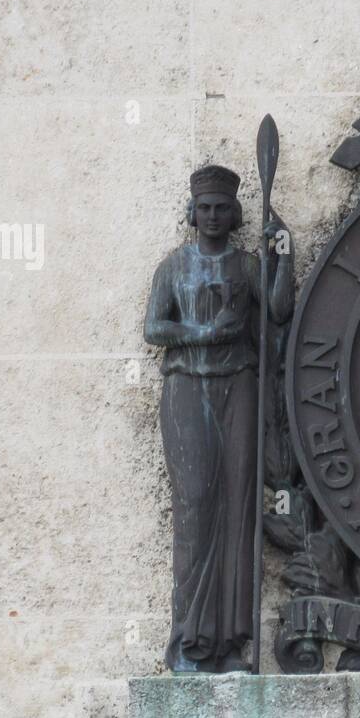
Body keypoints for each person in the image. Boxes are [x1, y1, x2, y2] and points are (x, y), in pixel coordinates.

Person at [144, 165, 294, 673]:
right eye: (204, 207)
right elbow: (153, 327)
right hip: (188, 388)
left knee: (239, 508)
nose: (212, 216)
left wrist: (282, 256)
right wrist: (206, 333)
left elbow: (277, 311)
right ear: (193, 212)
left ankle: (233, 642)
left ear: (234, 214)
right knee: (196, 506)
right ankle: (190, 639)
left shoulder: (248, 265)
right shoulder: (174, 266)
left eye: (221, 208)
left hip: (240, 387)